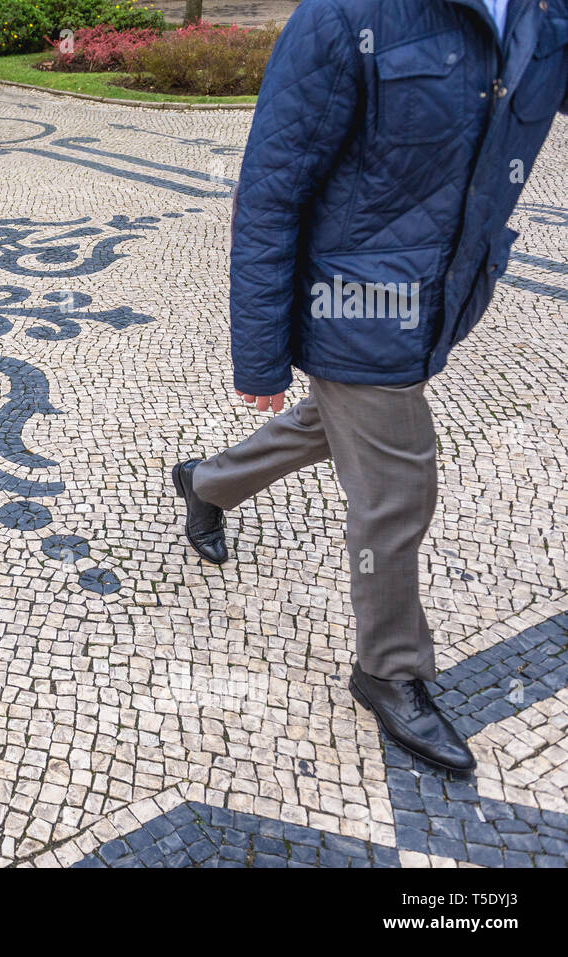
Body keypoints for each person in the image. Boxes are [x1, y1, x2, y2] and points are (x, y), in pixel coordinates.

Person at [174, 0, 568, 772]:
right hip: (352, 300)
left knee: (336, 423)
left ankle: (208, 482)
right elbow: (270, 190)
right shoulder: (345, 15)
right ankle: (389, 668)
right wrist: (261, 357)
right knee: (397, 486)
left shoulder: (545, 13)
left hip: (443, 293)